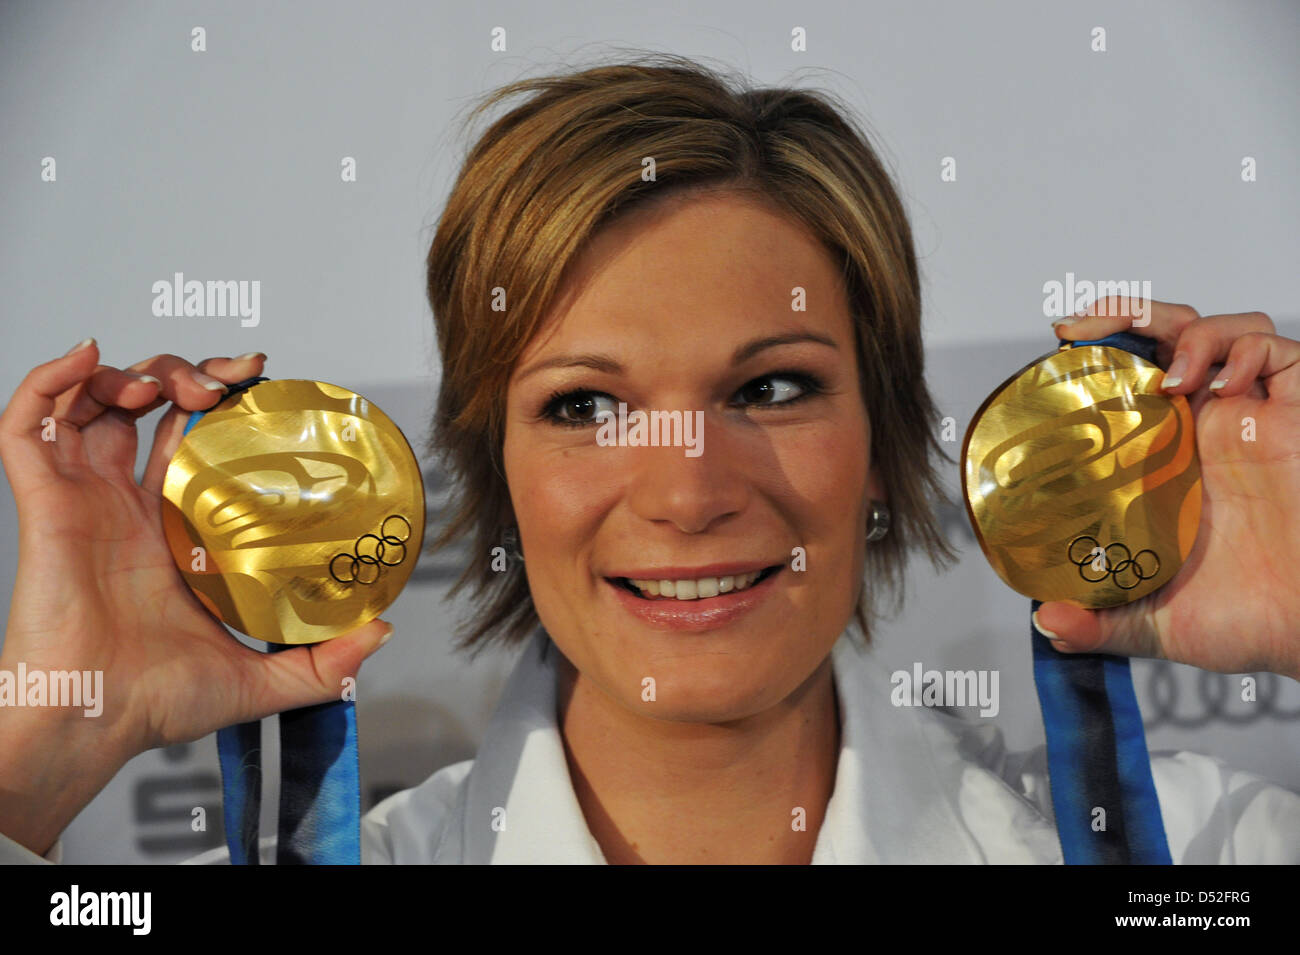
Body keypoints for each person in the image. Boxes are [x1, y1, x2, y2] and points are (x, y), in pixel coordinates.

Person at [1, 55, 1297, 865]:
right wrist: (49, 736)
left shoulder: (1202, 853)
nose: (687, 492)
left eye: (773, 387)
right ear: (488, 466)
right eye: (582, 407)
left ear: (889, 439)